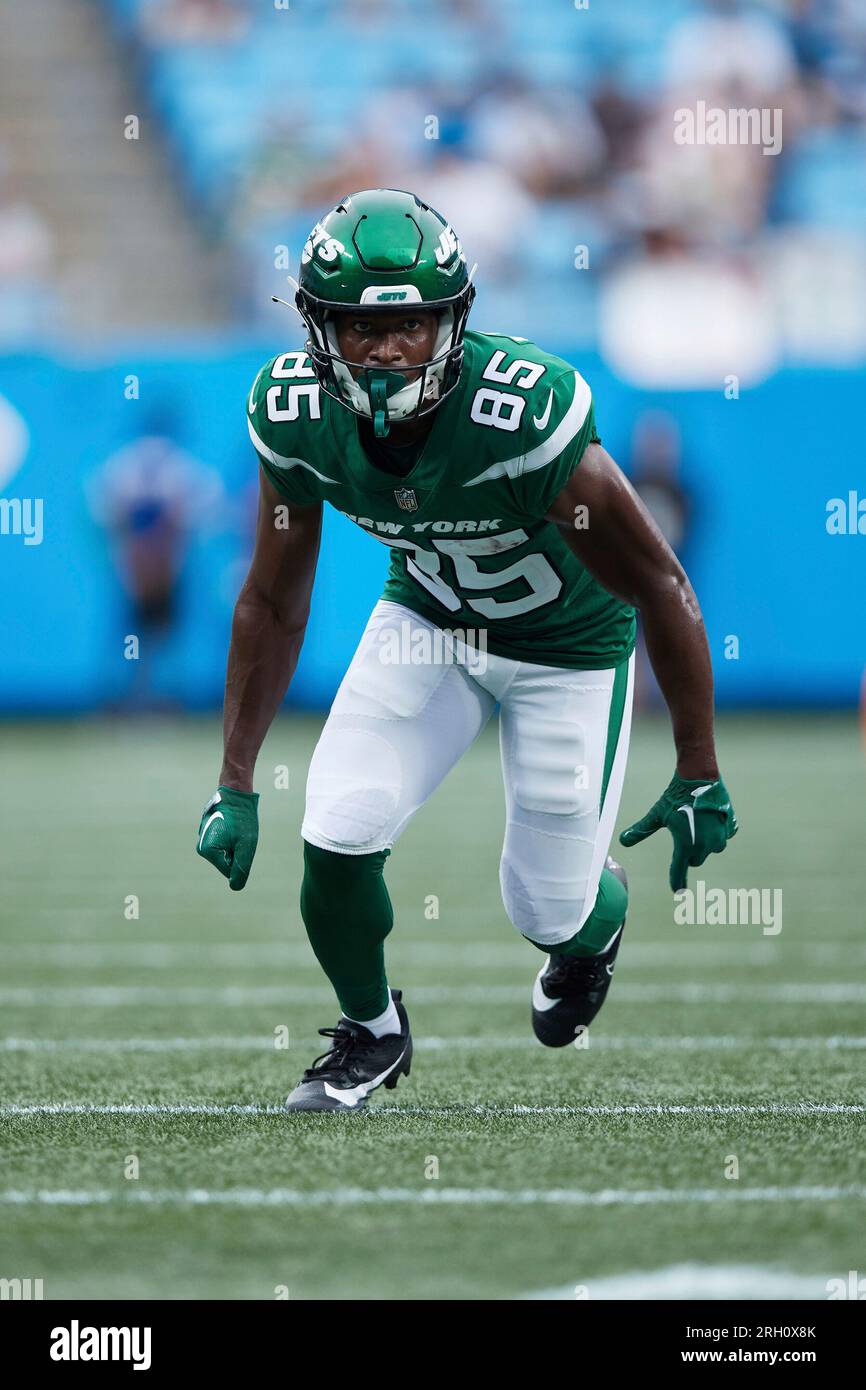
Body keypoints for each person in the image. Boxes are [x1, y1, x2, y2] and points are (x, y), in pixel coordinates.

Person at [196, 189, 737, 1112]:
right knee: (336, 825)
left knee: (546, 907)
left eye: (407, 323)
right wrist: (235, 778)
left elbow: (659, 582)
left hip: (568, 644)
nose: (383, 350)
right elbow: (275, 599)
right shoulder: (293, 412)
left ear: (453, 320)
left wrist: (697, 765)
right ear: (314, 328)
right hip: (431, 625)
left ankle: (590, 930)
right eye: (358, 327)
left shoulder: (521, 410)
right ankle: (370, 1033)